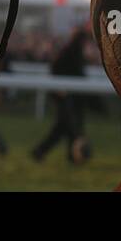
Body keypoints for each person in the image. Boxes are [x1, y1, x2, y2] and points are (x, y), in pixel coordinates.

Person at [31, 26, 93, 164]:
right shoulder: (68, 52)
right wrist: (60, 89)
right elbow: (54, 70)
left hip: (72, 96)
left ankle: (46, 152)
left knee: (65, 128)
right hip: (65, 97)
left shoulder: (74, 51)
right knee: (67, 127)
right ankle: (43, 151)